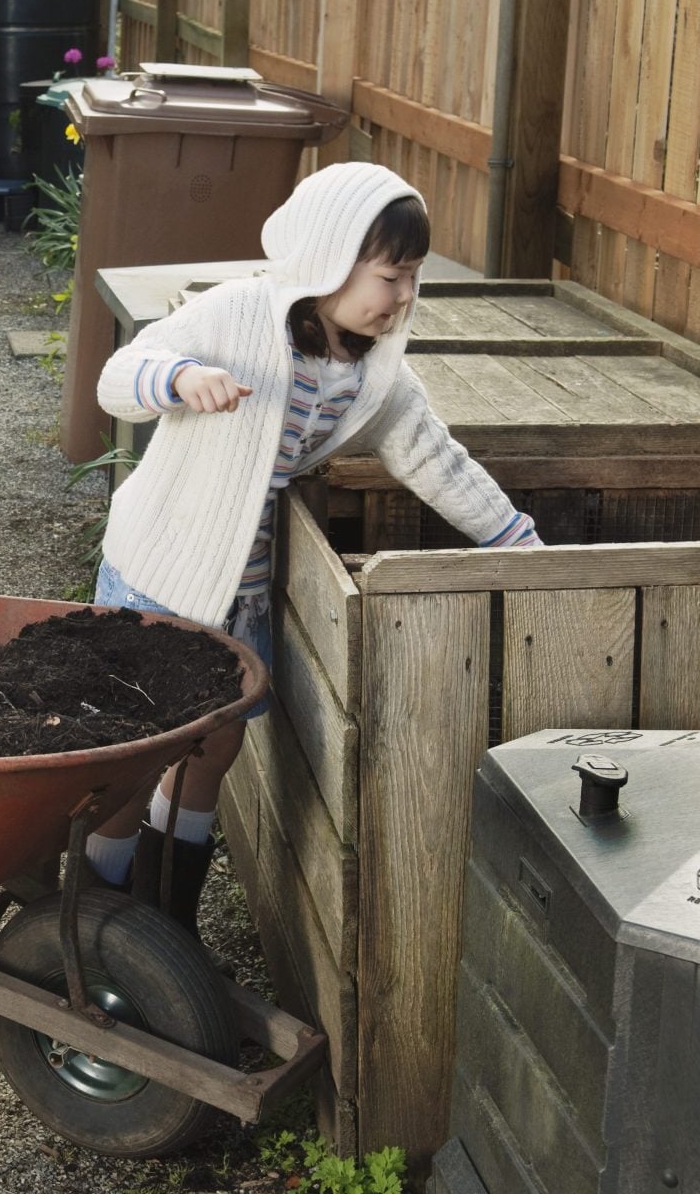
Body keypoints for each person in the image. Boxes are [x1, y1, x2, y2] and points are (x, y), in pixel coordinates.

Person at [85, 162, 541, 949]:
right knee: (136, 755)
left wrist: (515, 540)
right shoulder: (234, 315)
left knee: (215, 744)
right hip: (160, 574)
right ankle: (92, 914)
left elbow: (437, 460)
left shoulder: (376, 374)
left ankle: (164, 925)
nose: (403, 296)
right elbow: (116, 379)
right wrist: (181, 376)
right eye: (390, 276)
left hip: (245, 590)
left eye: (411, 278)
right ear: (331, 257)